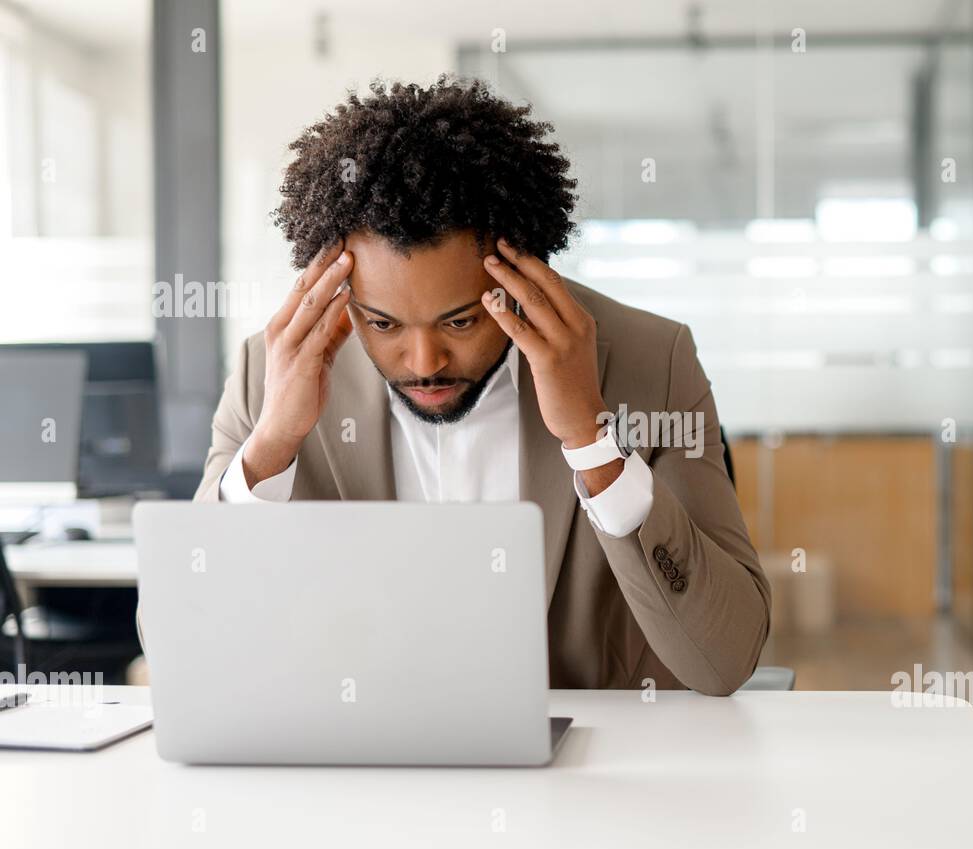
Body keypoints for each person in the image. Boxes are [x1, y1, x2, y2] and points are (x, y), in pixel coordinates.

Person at [193, 76, 770, 696]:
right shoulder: (271, 374)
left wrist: (593, 443)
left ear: (521, 268)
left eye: (461, 320)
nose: (425, 361)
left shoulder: (650, 362)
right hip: (357, 769)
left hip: (589, 776)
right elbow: (188, 650)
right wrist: (272, 444)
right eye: (383, 323)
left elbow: (725, 659)